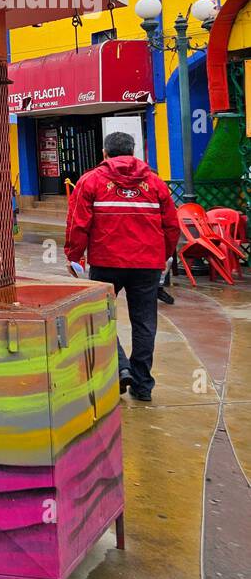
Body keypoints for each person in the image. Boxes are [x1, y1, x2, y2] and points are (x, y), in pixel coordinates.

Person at [64, 132, 179, 402]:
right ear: (133, 151)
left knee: (98, 318)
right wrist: (164, 255)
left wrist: (74, 257)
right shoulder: (156, 184)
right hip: (148, 265)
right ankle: (143, 385)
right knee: (144, 322)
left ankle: (120, 367)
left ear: (105, 153)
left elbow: (77, 225)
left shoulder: (90, 181)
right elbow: (172, 226)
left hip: (106, 263)